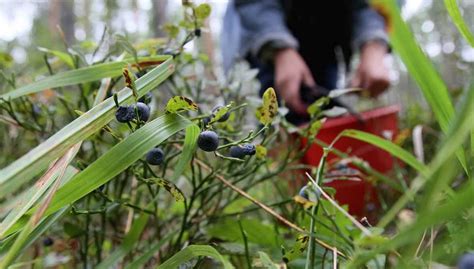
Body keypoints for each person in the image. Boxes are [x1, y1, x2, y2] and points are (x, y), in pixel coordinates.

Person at [222, 0, 391, 124]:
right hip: (268, 28)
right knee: (281, 109)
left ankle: (323, 162)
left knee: (324, 112)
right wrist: (280, 49)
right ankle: (281, 158)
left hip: (323, 37)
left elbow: (363, 7)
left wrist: (373, 45)